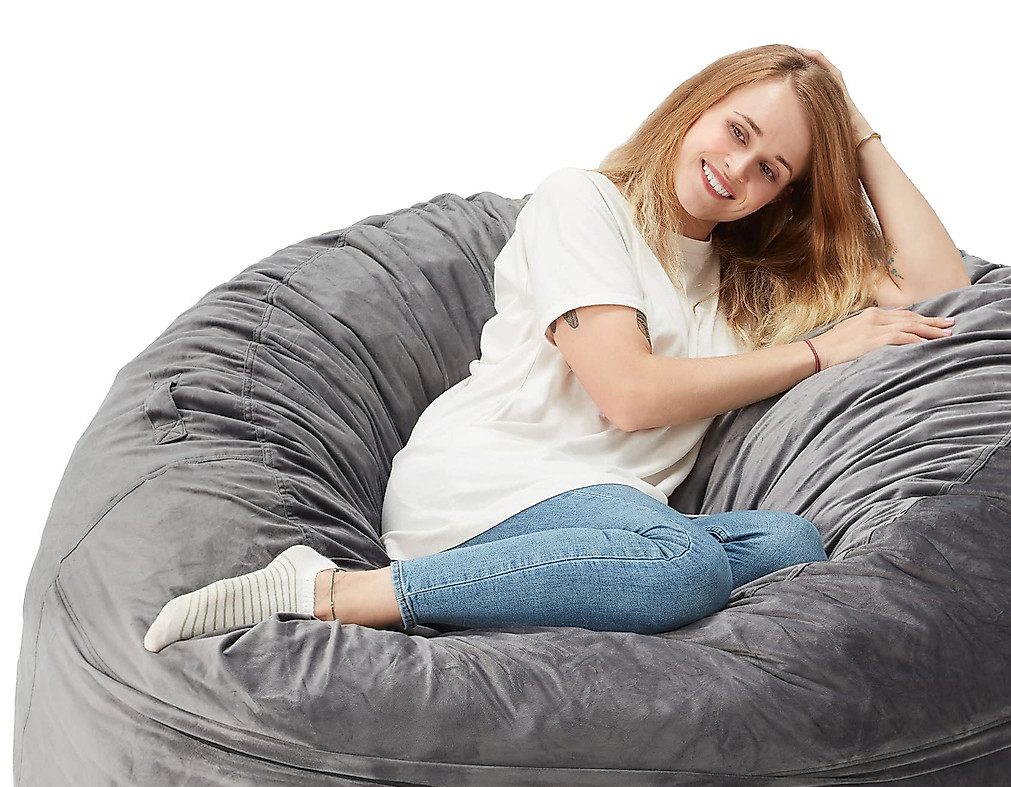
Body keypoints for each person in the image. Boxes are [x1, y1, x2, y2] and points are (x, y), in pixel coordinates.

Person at [143, 43, 967, 653]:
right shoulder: (584, 204)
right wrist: (820, 354)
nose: (737, 168)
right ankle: (332, 591)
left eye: (771, 169)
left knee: (790, 544)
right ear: (697, 106)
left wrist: (857, 132)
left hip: (605, 514)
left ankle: (541, 596)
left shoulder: (755, 283)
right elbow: (629, 395)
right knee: (685, 566)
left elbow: (943, 286)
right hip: (486, 484)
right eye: (736, 130)